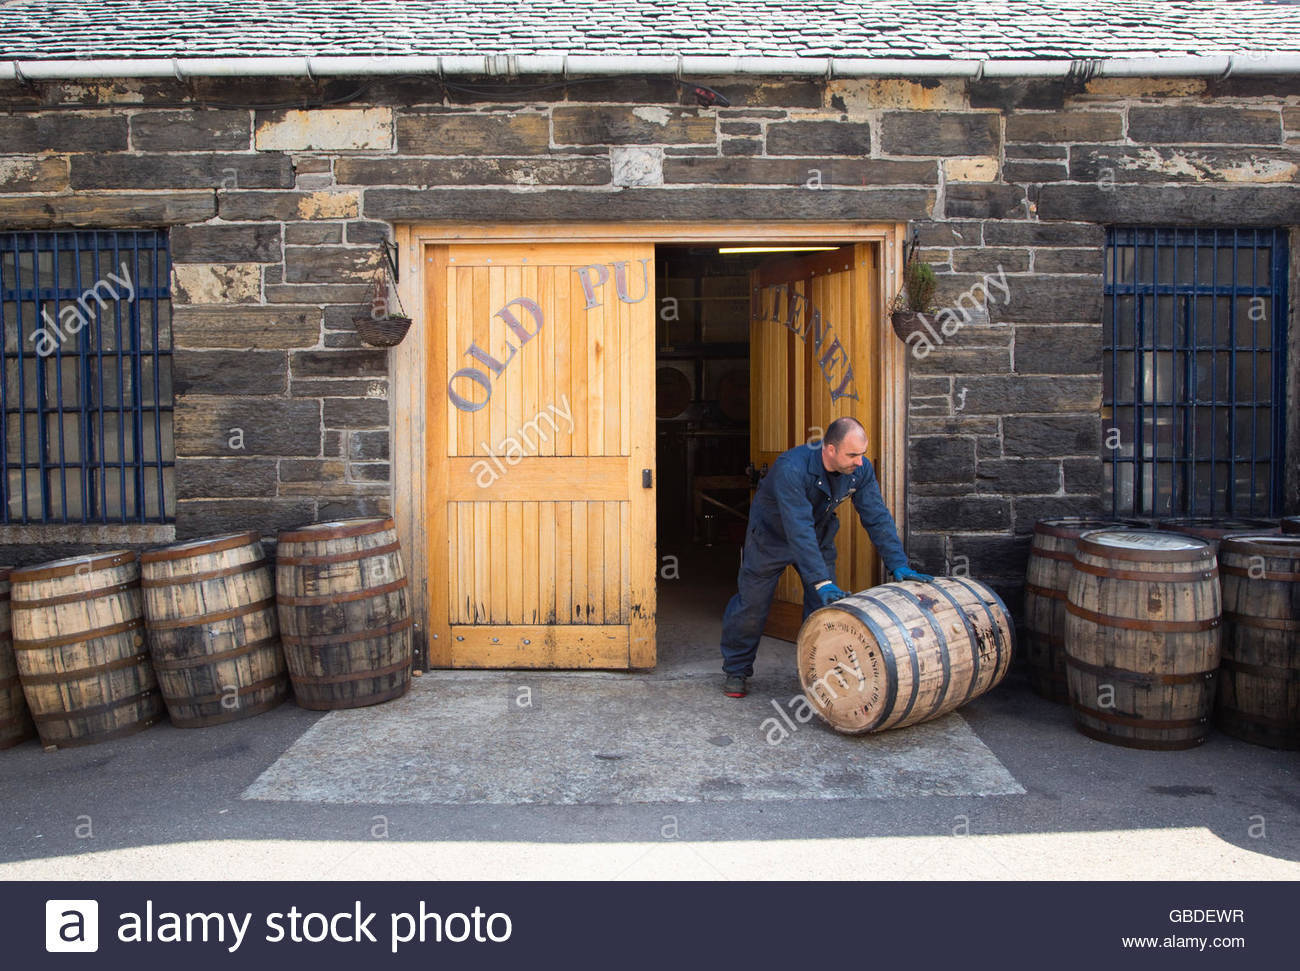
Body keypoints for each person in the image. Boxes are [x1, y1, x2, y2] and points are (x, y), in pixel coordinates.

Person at [720, 416, 932, 698]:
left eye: (862, 453)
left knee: (822, 609)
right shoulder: (791, 468)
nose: (859, 461)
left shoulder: (860, 470)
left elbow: (876, 516)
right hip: (770, 540)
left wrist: (898, 563)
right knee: (751, 606)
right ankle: (736, 670)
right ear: (830, 449)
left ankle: (817, 675)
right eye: (852, 455)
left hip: (817, 539)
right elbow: (798, 528)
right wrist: (821, 580)